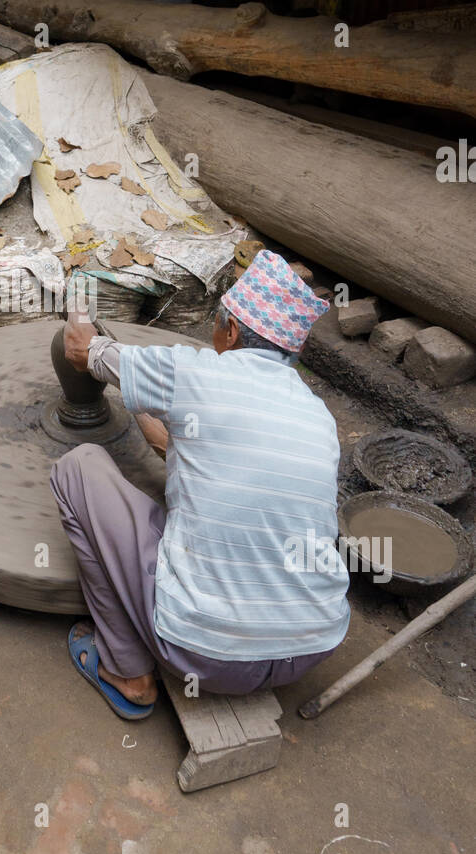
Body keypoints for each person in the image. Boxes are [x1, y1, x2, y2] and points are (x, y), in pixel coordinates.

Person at [50, 249, 350, 720]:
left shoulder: (197, 372)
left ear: (230, 331)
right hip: (312, 647)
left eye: (216, 323)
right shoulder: (317, 415)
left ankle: (127, 670)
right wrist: (150, 415)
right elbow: (228, 459)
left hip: (206, 653)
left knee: (79, 466)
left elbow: (83, 352)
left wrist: (78, 318)